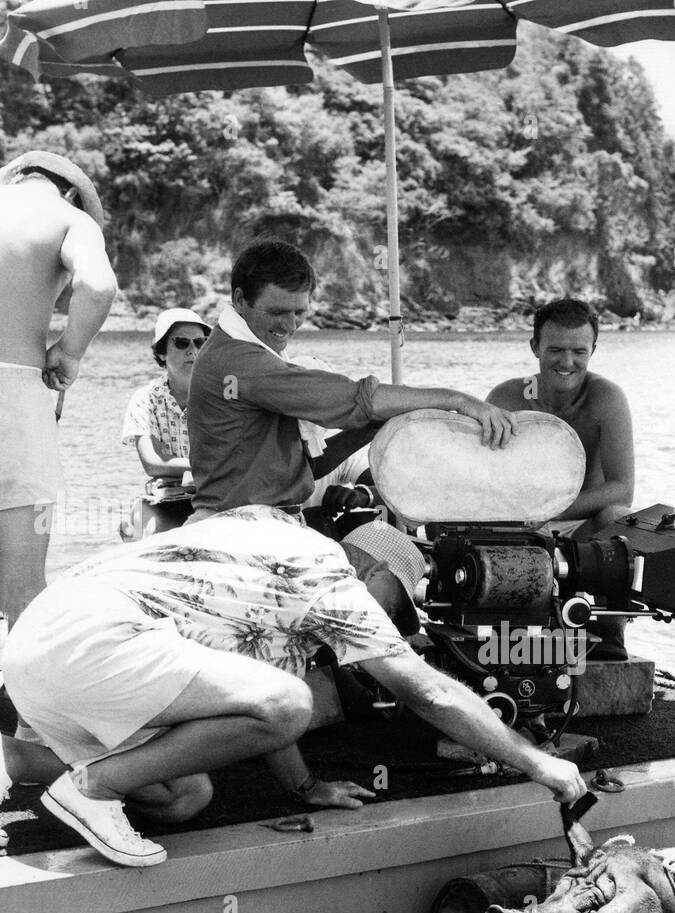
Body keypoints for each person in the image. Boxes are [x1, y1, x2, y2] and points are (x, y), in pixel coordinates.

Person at [1, 506, 585, 868]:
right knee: (291, 704)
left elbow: (255, 689)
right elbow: (427, 692)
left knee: (186, 797)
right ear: (373, 574)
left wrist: (305, 786)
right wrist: (537, 764)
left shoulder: (263, 527)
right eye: (393, 604)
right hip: (95, 645)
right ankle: (95, 788)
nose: (387, 620)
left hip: (36, 646)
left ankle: (31, 760)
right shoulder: (332, 583)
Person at [187, 237, 517, 520]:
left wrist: (379, 421)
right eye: (276, 313)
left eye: (299, 312)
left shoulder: (248, 349)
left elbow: (308, 468)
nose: (289, 326)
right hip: (240, 524)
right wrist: (457, 400)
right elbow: (354, 398)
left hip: (270, 516)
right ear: (241, 300)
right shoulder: (241, 361)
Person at [0, 150, 116, 629]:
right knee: (22, 586)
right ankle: (31, 703)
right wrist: (68, 352)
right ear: (71, 193)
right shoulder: (68, 219)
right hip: (11, 395)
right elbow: (97, 285)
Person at [488, 298, 635, 658]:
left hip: (581, 523)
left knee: (618, 517)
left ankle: (610, 631)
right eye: (555, 350)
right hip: (520, 525)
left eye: (578, 351)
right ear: (535, 346)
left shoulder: (607, 398)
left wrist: (551, 511)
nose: (566, 362)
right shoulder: (507, 397)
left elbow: (622, 488)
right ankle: (516, 625)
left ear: (593, 350)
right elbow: (484, 482)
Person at [122, 308, 211, 481]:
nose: (193, 350)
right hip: (167, 500)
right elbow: (153, 463)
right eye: (181, 342)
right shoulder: (145, 400)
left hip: (219, 497)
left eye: (200, 342)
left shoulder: (224, 396)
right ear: (162, 352)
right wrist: (215, 469)